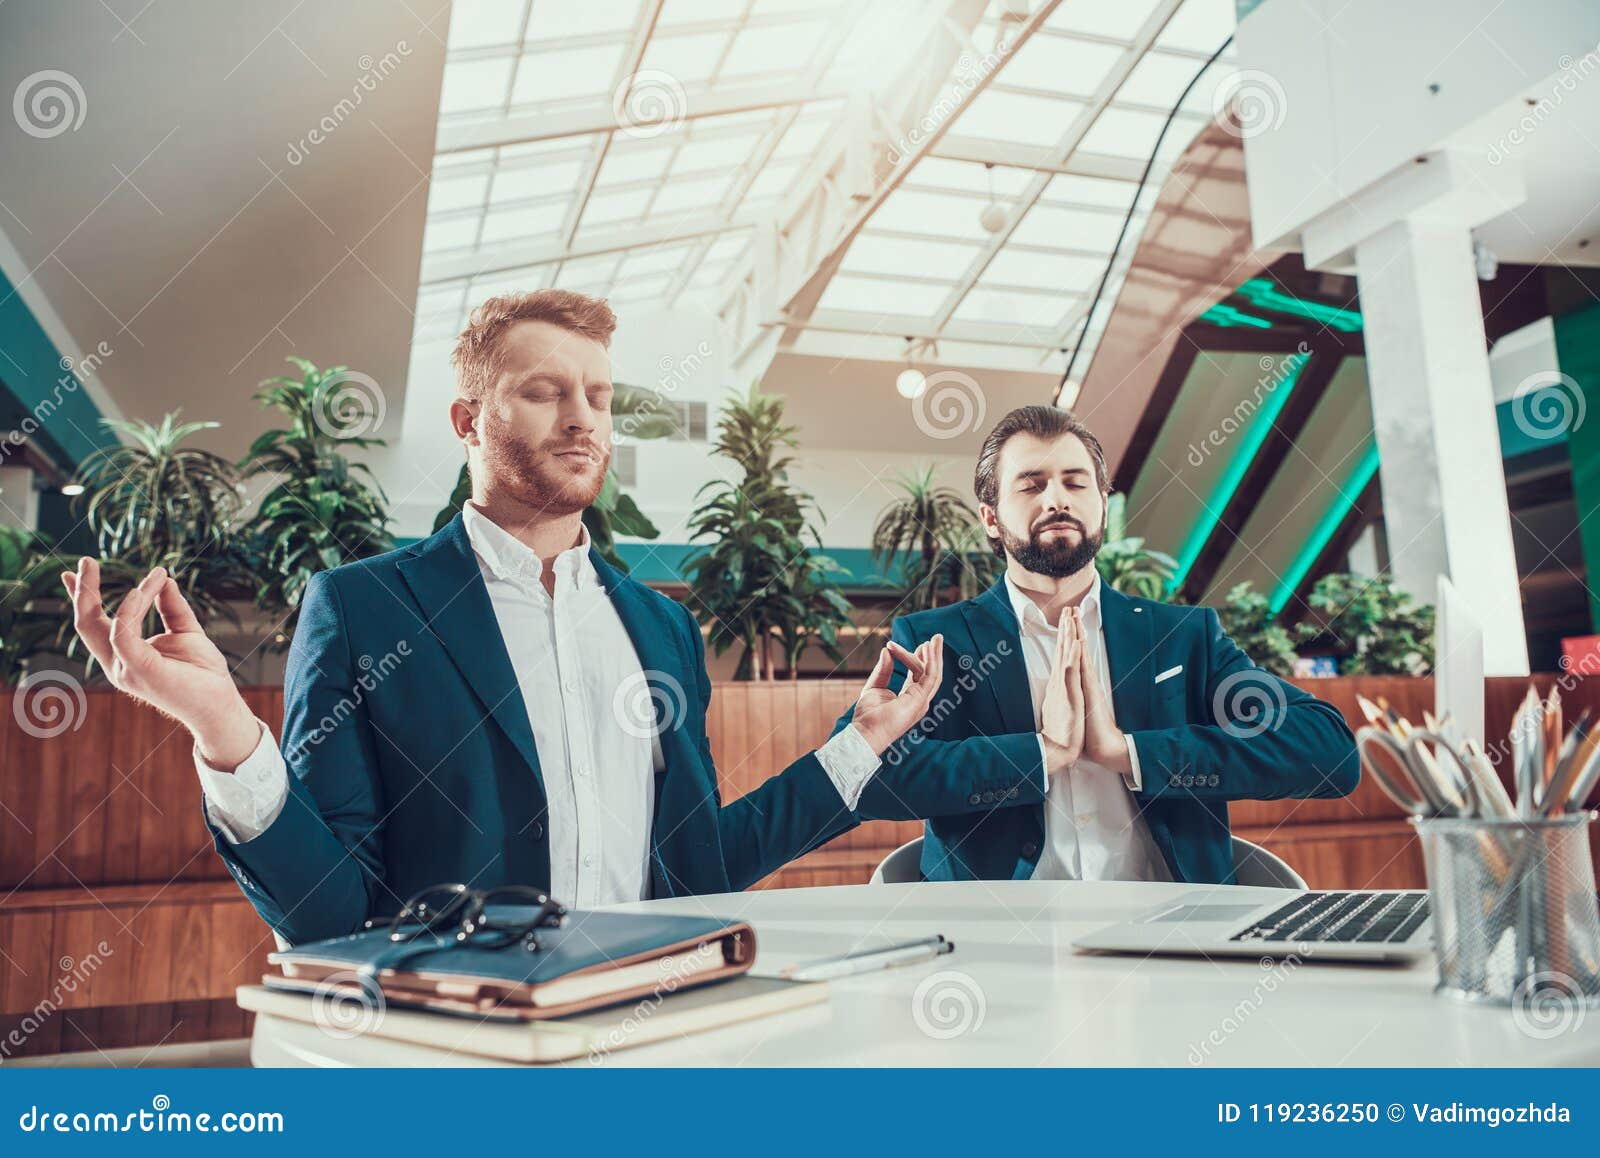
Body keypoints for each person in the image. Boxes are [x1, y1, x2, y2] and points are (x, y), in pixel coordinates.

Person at [63, 289, 946, 945]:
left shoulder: (662, 630)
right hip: (472, 1062)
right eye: (544, 391)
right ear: (466, 420)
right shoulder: (365, 610)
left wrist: (859, 744)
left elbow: (700, 863)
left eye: (599, 397)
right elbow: (329, 911)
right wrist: (223, 727)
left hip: (652, 1039)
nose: (582, 420)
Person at [831, 405, 1359, 884]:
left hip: (1173, 938)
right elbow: (857, 777)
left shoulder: (1181, 639)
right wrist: (1040, 755)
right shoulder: (935, 642)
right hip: (1001, 946)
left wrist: (1128, 752)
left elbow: (1329, 752)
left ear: (1103, 505)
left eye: (1075, 483)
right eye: (1031, 484)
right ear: (991, 517)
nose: (1056, 499)